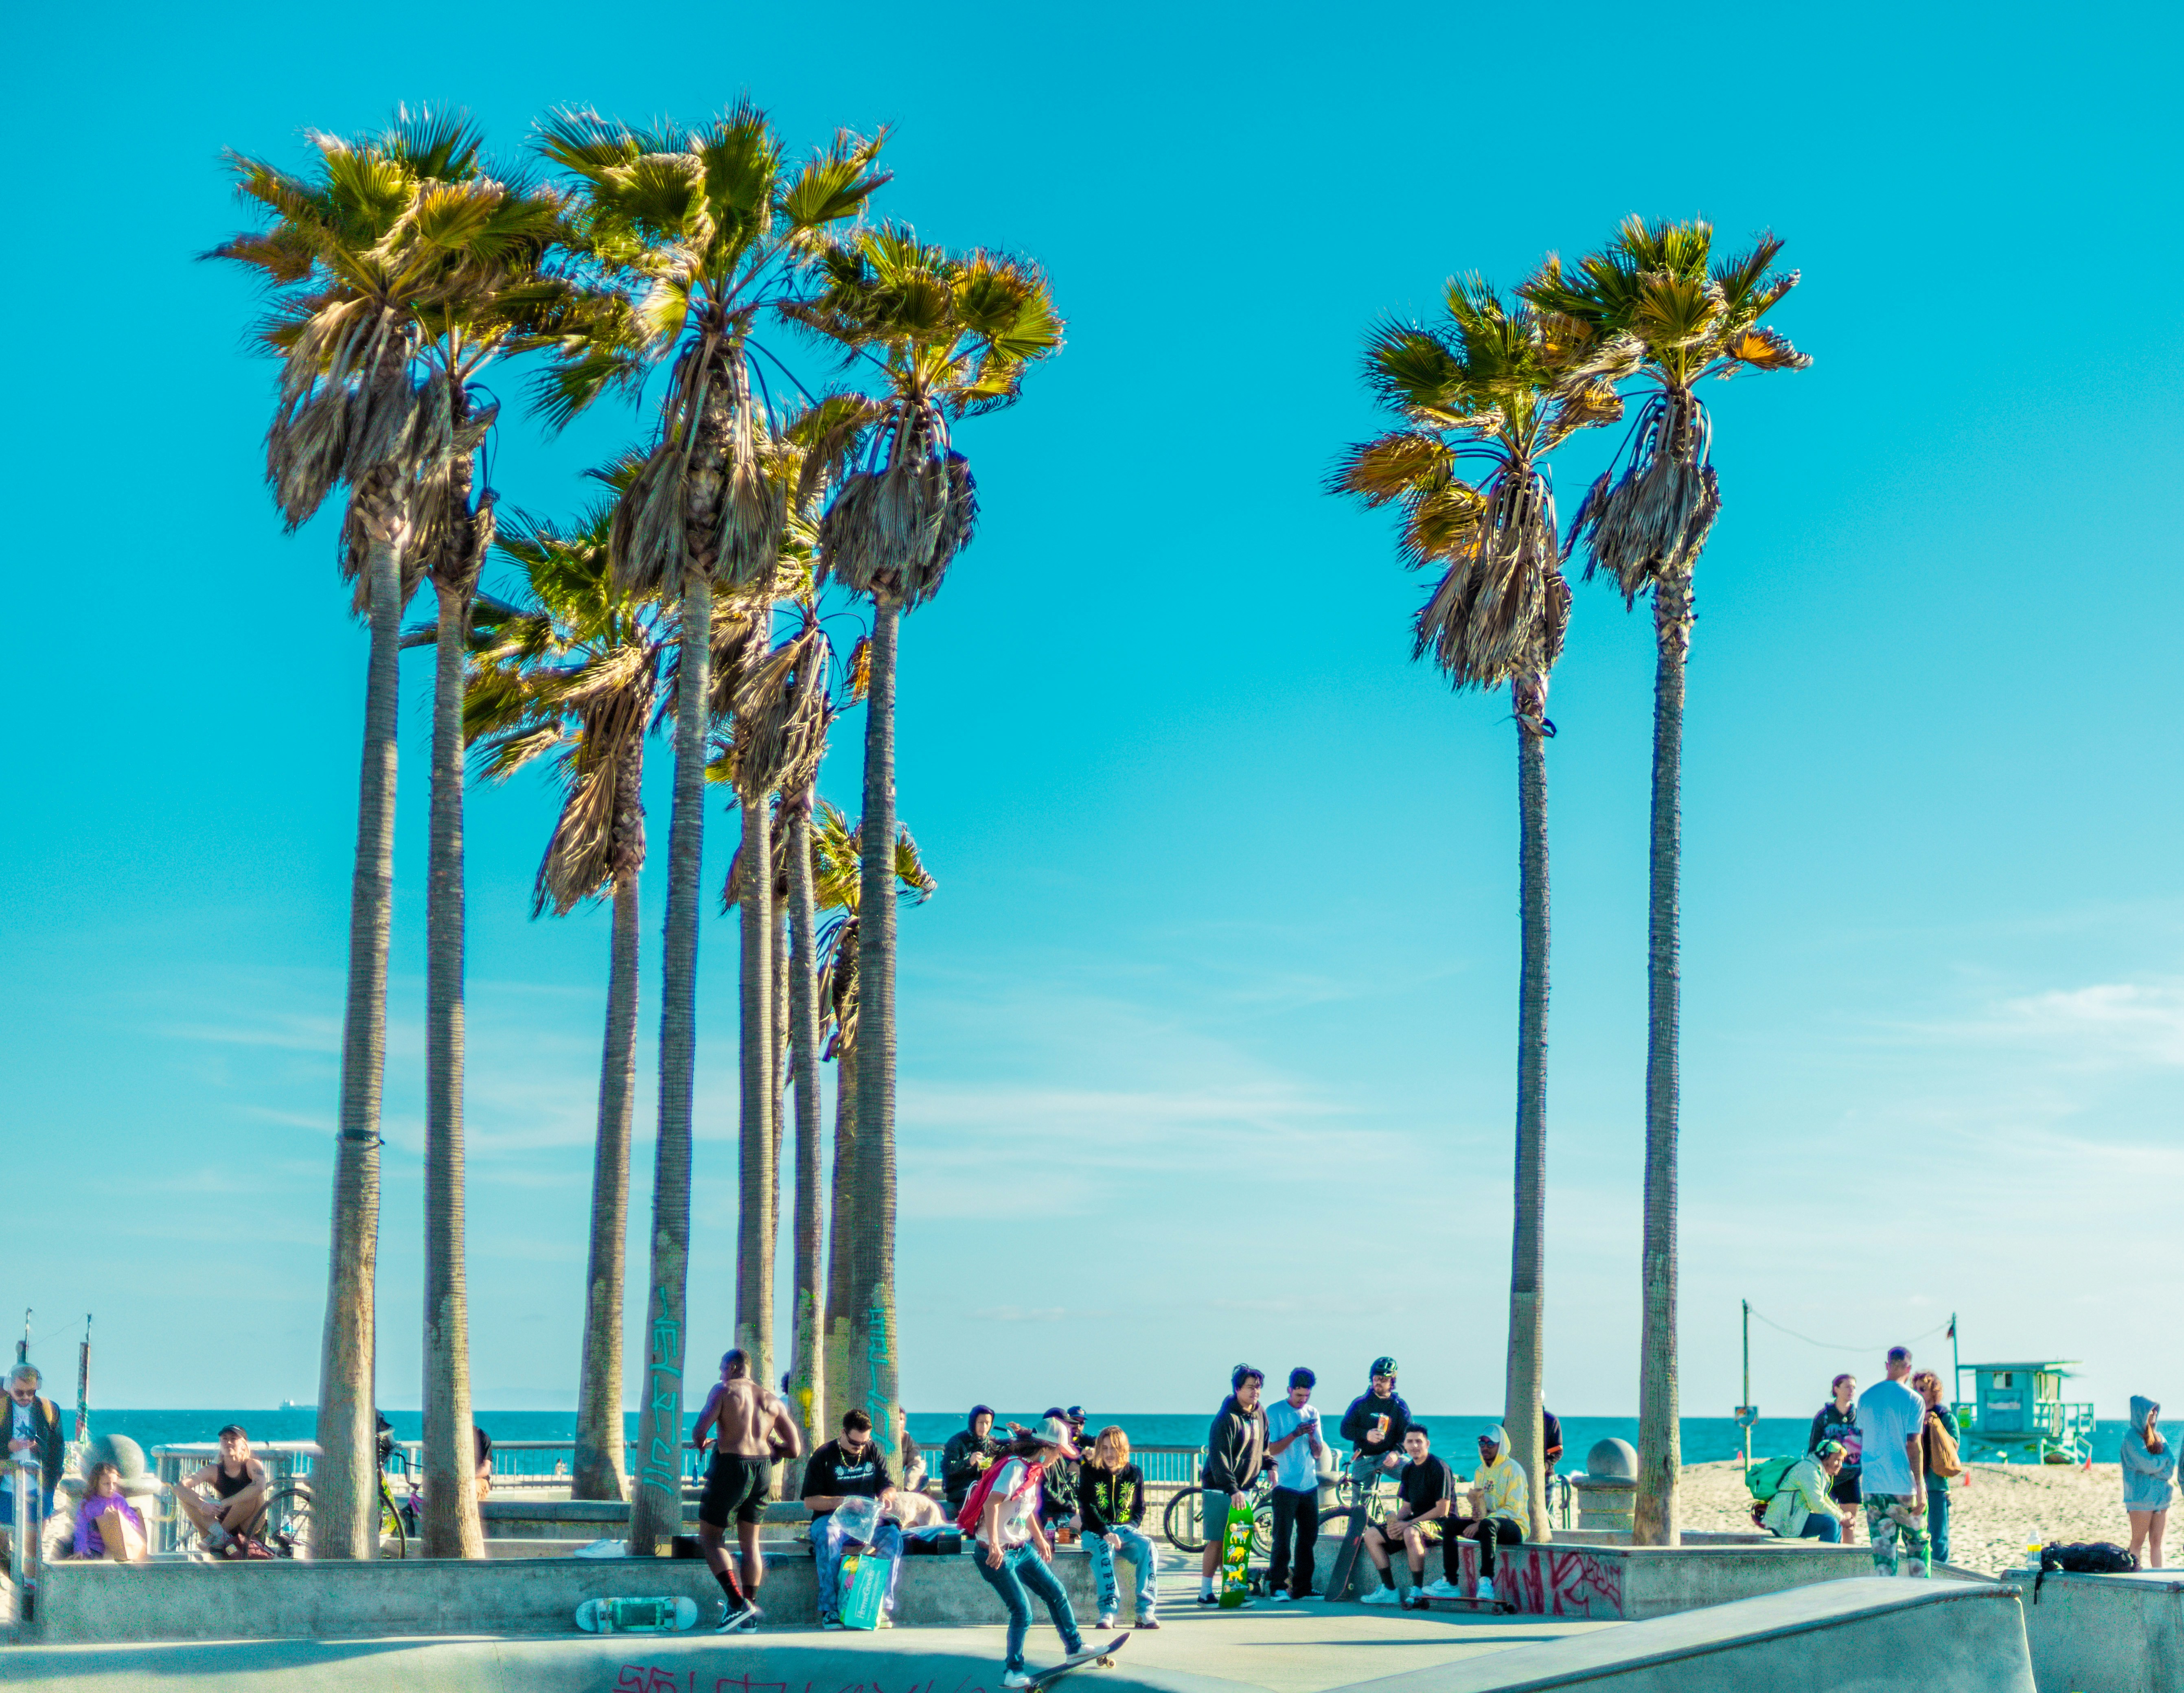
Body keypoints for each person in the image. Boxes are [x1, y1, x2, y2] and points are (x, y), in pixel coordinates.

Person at [971, 1418, 1087, 1689]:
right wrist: (995, 1545)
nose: (1059, 1458)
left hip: (1021, 1549)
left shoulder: (1033, 1471)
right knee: (1022, 1611)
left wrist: (1039, 1539)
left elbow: (1027, 1511)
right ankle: (1013, 1672)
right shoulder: (1015, 1468)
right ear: (1046, 1448)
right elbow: (991, 1504)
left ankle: (1075, 1648)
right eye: (1058, 1452)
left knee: (1056, 1592)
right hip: (994, 1554)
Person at [695, 1348, 802, 1632]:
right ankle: (750, 1613)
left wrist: (703, 1443)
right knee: (750, 1543)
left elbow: (699, 1430)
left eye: (722, 1367)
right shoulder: (771, 1399)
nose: (720, 1373)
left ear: (732, 1367)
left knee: (710, 1539)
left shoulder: (724, 1390)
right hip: (763, 1470)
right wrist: (772, 1446)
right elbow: (794, 1450)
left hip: (732, 1467)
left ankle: (736, 1603)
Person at [802, 1408, 903, 1630]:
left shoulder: (872, 1450)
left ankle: (880, 1605)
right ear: (843, 1433)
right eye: (855, 1444)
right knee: (829, 1536)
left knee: (893, 1536)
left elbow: (888, 1486)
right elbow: (810, 1501)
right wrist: (842, 1501)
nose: (860, 1448)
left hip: (865, 1521)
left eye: (865, 1443)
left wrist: (886, 1497)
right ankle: (830, 1609)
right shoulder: (823, 1456)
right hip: (831, 1520)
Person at [1854, 1346, 1931, 1578]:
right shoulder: (1914, 1399)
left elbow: (1863, 1437)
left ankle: (1886, 1596)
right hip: (1903, 1487)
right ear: (1909, 1369)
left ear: (1887, 1365)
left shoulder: (1866, 1397)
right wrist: (1921, 1486)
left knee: (1883, 1556)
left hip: (1874, 1487)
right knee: (1918, 1548)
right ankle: (1922, 1597)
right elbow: (1913, 1445)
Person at [1198, 1365, 1270, 1606]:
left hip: (1244, 1489)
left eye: (1258, 1388)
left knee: (1237, 1543)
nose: (1255, 1392)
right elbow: (1219, 1458)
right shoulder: (1225, 1419)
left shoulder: (1260, 1414)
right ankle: (1205, 1593)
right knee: (1218, 1540)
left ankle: (1233, 1591)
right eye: (1250, 1387)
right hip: (1220, 1488)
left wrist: (1271, 1466)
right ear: (1238, 1389)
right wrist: (1232, 1489)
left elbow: (1264, 1447)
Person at [1358, 1424, 1452, 1605]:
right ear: (1405, 1445)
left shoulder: (1439, 1467)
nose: (1415, 1446)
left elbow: (1443, 1510)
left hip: (1440, 1523)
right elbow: (1407, 1507)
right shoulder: (1409, 1469)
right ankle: (1389, 1590)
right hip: (1415, 1521)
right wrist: (1395, 1525)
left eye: (1419, 1441)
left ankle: (1417, 1591)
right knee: (1371, 1534)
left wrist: (1407, 1524)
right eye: (1410, 1441)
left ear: (1427, 1444)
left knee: (1411, 1532)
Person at [1079, 1425, 1158, 1629]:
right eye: (1104, 1448)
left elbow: (1139, 1509)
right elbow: (1086, 1509)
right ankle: (1108, 1611)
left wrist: (1128, 1528)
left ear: (1123, 1449)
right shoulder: (1089, 1471)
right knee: (1105, 1548)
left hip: (1124, 1531)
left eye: (1113, 1448)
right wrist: (1105, 1533)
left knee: (1148, 1546)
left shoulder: (1135, 1473)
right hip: (1095, 1531)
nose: (1109, 1454)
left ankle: (1145, 1611)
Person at [1438, 1425, 1528, 1602]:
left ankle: (1486, 1582)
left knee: (1488, 1524)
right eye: (1482, 1443)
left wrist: (1480, 1523)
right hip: (1488, 1524)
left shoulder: (1513, 1469)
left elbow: (1513, 1509)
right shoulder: (1480, 1471)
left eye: (1490, 1444)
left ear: (1501, 1445)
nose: (1485, 1447)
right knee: (1450, 1524)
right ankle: (1450, 1582)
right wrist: (1476, 1510)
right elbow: (1482, 1506)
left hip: (1515, 1526)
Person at [1264, 1367, 1327, 1603]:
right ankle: (1278, 1586)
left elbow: (1318, 1453)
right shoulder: (1275, 1411)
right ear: (1289, 1389)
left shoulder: (1313, 1413)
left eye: (1307, 1396)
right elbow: (1271, 1449)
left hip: (1309, 1484)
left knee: (1308, 1539)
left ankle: (1303, 1587)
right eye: (1299, 1395)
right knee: (1282, 1538)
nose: (1303, 1400)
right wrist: (1295, 1433)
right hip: (1284, 1484)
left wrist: (1311, 1436)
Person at [172, 1425, 271, 1554]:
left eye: (233, 1439)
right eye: (225, 1439)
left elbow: (260, 1486)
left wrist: (224, 1503)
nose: (228, 1442)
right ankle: (221, 1535)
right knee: (186, 1497)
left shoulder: (252, 1464)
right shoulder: (214, 1470)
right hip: (218, 1533)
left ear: (244, 1444)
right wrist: (203, 1505)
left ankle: (221, 1534)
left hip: (248, 1530)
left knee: (252, 1493)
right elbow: (179, 1487)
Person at [3, 1365, 64, 1554]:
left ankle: (29, 1574)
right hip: (4, 1486)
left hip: (38, 1486)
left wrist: (51, 1485)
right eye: (20, 1392)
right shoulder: (2, 1408)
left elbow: (57, 1450)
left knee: (32, 1549)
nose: (26, 1397)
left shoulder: (49, 1410)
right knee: (2, 1548)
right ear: (9, 1387)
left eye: (31, 1392)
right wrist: (7, 1447)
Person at [1912, 1370, 1965, 1568]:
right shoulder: (1911, 1415)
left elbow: (1954, 1448)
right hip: (1912, 1484)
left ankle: (1940, 1573)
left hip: (1936, 1484)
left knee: (1939, 1537)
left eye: (1923, 1389)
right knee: (1915, 1535)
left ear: (1934, 1391)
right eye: (1915, 1389)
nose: (1918, 1393)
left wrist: (1936, 1426)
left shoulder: (1945, 1416)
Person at [1762, 1441, 1857, 1542]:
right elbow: (1817, 1504)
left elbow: (1824, 1498)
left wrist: (1841, 1516)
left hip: (1792, 1518)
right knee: (1831, 1523)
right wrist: (1842, 1518)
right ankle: (1827, 1553)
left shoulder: (1818, 1471)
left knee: (1836, 1521)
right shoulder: (1809, 1471)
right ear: (1824, 1456)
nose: (1840, 1465)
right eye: (1837, 1460)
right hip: (1785, 1522)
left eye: (1841, 1461)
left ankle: (1833, 1552)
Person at [1809, 1373, 1863, 1544]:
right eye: (1847, 1387)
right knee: (1831, 1522)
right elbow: (1814, 1447)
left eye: (1854, 1387)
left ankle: (1849, 1556)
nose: (1851, 1391)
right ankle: (1829, 1554)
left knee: (1850, 1524)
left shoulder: (1860, 1416)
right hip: (1828, 1477)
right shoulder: (1824, 1417)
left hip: (1851, 1475)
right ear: (1836, 1389)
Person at [2123, 1395, 2174, 1569]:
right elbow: (2147, 1464)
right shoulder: (2132, 1438)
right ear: (2140, 1413)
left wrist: (2157, 1467)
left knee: (2158, 1542)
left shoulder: (2159, 1436)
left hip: (2161, 1499)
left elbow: (2170, 1466)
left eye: (2154, 1412)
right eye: (2150, 1412)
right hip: (2140, 1500)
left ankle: (2159, 1578)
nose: (2153, 1415)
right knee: (2138, 1541)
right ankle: (2133, 1575)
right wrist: (2160, 1464)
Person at [70, 1462, 148, 1563]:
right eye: (106, 1484)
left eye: (114, 1484)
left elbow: (134, 1520)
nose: (111, 1488)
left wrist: (120, 1519)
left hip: (117, 1547)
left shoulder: (119, 1501)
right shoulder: (88, 1504)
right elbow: (81, 1528)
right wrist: (80, 1549)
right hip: (94, 1547)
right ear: (96, 1484)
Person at [942, 1405, 1004, 1513]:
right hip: (961, 1490)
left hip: (984, 1488)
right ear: (973, 1422)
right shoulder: (957, 1441)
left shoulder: (993, 1443)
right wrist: (969, 1462)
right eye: (981, 1423)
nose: (984, 1427)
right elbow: (948, 1468)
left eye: (987, 1423)